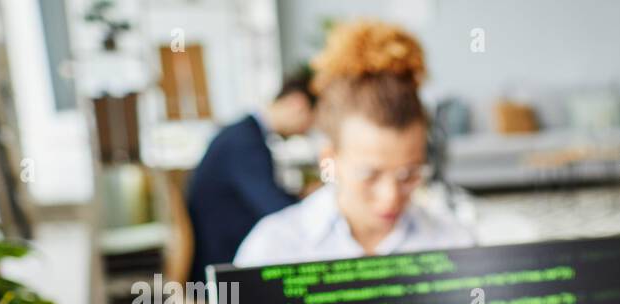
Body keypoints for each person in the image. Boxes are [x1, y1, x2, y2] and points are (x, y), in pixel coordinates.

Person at [235, 20, 472, 266]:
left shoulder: (453, 243)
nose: (389, 197)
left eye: (408, 175)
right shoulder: (273, 248)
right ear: (329, 161)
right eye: (369, 175)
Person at [186, 70, 316, 278]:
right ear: (297, 104)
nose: (305, 132)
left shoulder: (244, 133)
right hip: (225, 258)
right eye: (310, 122)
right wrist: (316, 205)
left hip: (224, 247)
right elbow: (275, 209)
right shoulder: (245, 142)